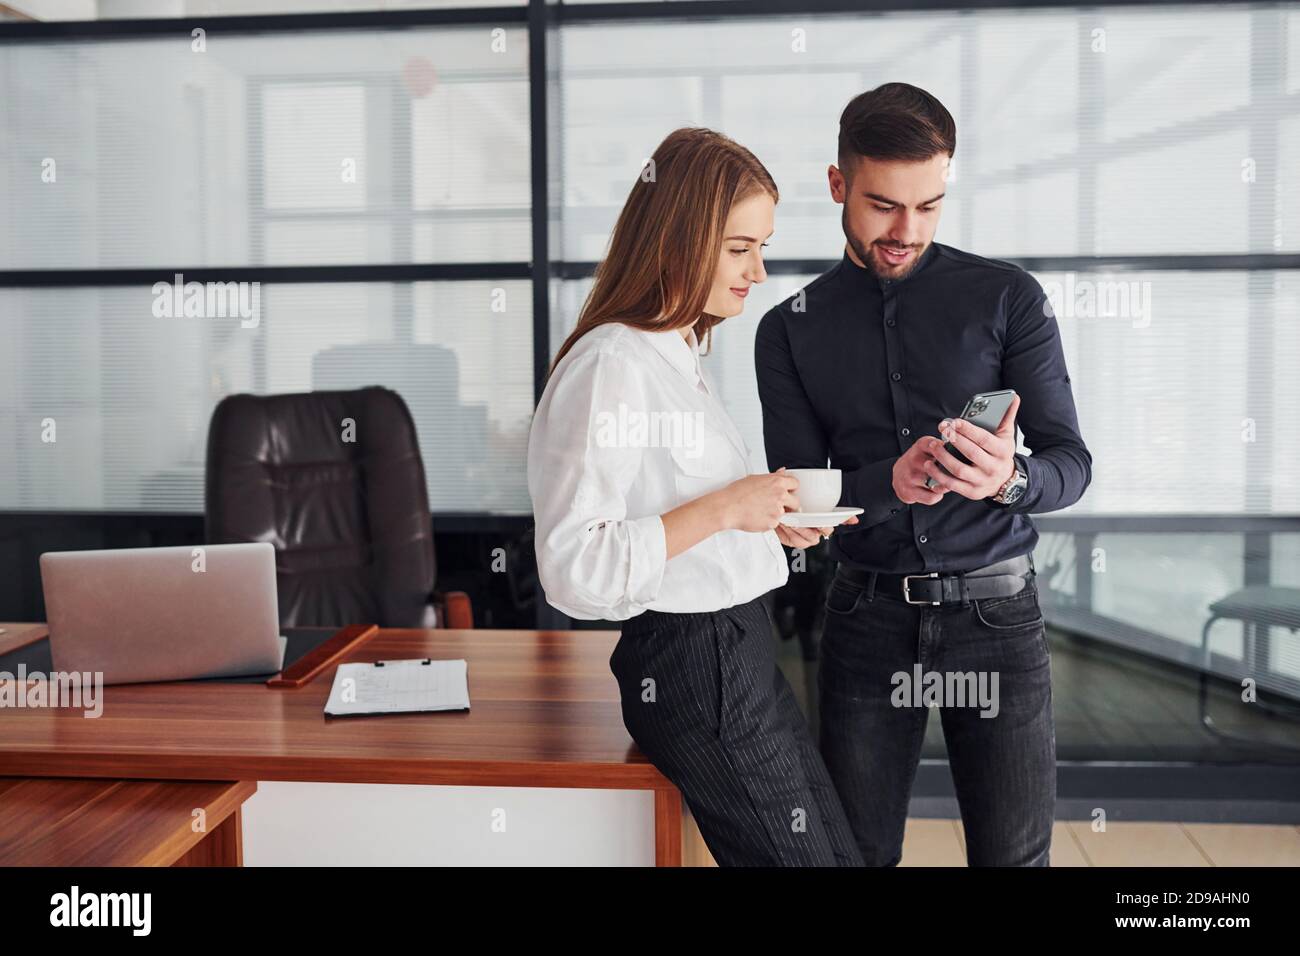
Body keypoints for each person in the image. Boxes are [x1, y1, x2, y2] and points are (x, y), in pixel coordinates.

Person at [756, 83, 1092, 866]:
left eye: (929, 206)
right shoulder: (787, 330)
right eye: (882, 206)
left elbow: (1071, 466)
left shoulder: (1007, 297)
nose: (906, 231)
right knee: (858, 855)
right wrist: (884, 484)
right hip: (865, 618)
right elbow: (805, 495)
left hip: (999, 619)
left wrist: (1006, 479)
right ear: (837, 184)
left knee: (1012, 860)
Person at [528, 127, 863, 866]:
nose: (760, 270)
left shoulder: (678, 351)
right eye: (740, 248)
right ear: (680, 237)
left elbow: (674, 515)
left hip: (738, 650)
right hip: (695, 663)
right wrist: (726, 508)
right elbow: (573, 566)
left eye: (761, 247)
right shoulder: (612, 364)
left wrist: (762, 523)